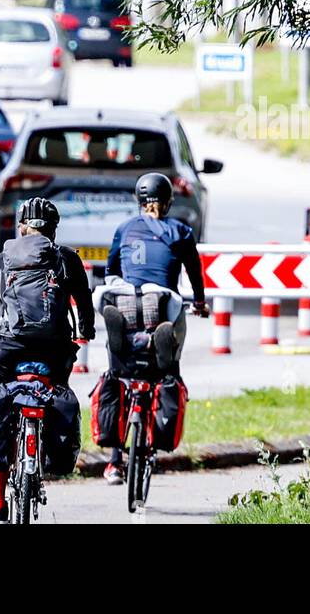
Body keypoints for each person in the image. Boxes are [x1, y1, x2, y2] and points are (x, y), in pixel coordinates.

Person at [0, 196, 95, 523]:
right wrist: (86, 331)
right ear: (53, 229)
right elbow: (85, 304)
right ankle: (50, 450)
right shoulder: (67, 258)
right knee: (56, 391)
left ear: (21, 227)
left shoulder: (5, 257)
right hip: (55, 350)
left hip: (13, 349)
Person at [97, 172, 208, 485]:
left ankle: (115, 461)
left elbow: (111, 271)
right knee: (169, 364)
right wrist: (199, 303)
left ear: (139, 201)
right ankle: (166, 358)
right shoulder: (181, 231)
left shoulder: (124, 228)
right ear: (168, 202)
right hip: (162, 304)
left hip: (127, 302)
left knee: (117, 373)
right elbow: (194, 273)